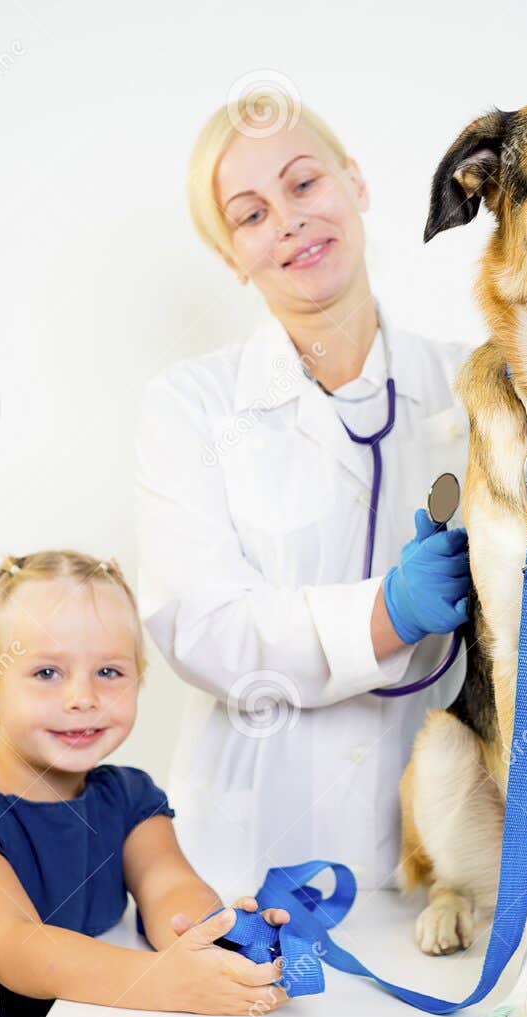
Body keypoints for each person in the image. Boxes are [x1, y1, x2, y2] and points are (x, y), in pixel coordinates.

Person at [134, 93, 474, 898]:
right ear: (231, 257)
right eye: (249, 215)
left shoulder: (472, 385)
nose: (288, 221)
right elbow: (201, 622)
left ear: (354, 182)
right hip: (246, 851)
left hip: (443, 847)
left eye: (304, 184)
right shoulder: (190, 404)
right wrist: (386, 612)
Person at [0, 550, 290, 1017]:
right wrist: (167, 982)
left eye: (109, 671)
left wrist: (222, 944)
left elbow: (169, 887)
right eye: (48, 671)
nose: (83, 697)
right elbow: (12, 946)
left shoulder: (127, 798)